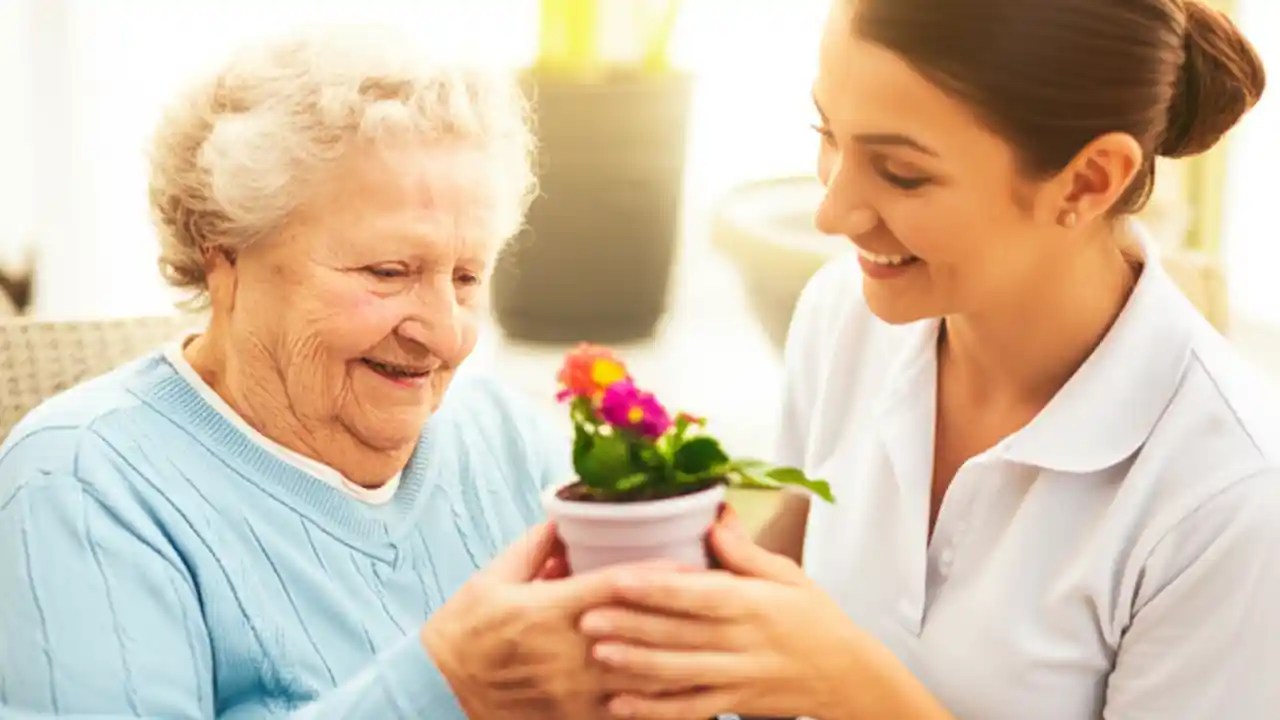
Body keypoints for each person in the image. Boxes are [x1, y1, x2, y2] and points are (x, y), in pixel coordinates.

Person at [574, 1, 1279, 719]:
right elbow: (775, 597)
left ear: (1088, 180)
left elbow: (814, 662)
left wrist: (852, 687)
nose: (833, 211)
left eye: (903, 173)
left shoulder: (1227, 496)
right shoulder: (845, 313)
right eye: (827, 134)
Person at [0, 27, 647, 719]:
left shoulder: (508, 439)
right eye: (388, 272)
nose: (443, 332)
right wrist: (445, 684)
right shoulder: (82, 483)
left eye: (464, 277)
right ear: (224, 254)